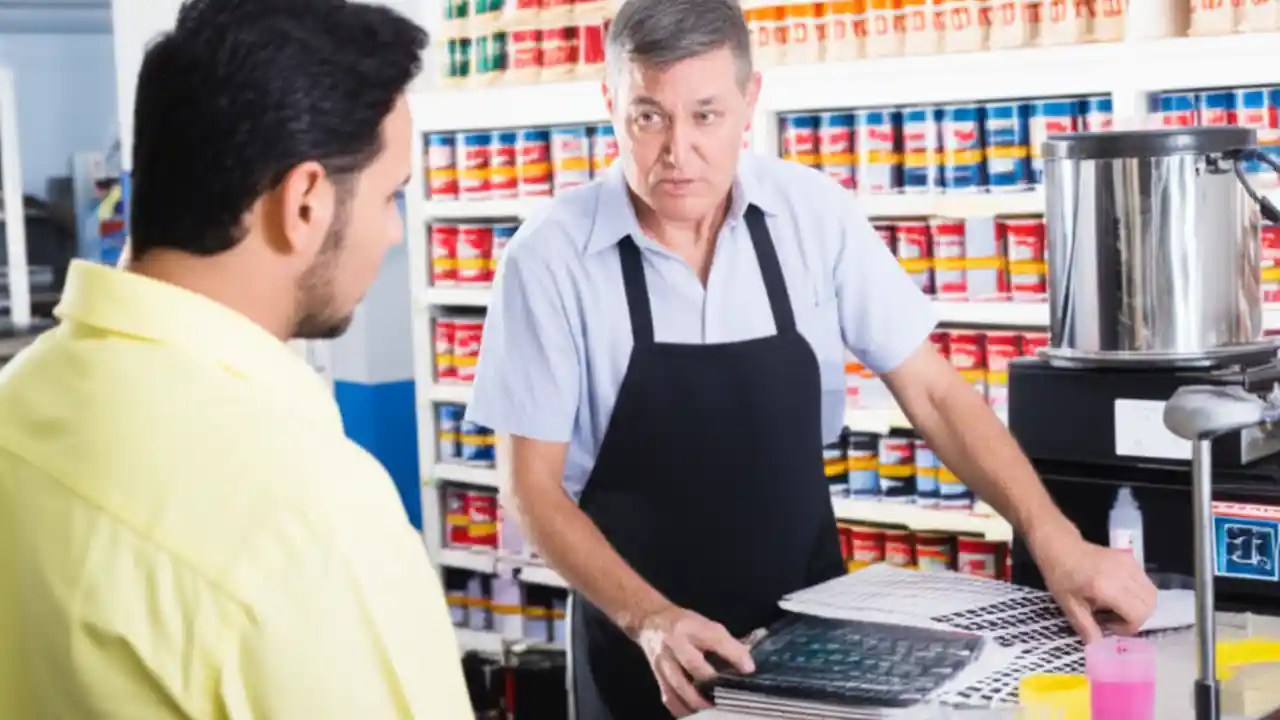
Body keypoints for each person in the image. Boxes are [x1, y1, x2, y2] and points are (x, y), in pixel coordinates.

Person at [466, 0, 1158, 717]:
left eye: (704, 115)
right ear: (610, 103)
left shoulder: (811, 216)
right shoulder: (549, 258)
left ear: (748, 103)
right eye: (649, 117)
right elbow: (532, 491)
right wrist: (650, 619)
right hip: (642, 653)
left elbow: (935, 394)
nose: (678, 151)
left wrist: (1055, 540)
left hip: (811, 644)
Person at [0, 1, 473, 718]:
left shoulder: (17, 401)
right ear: (306, 201)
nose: (391, 232)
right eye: (389, 196)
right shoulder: (311, 514)